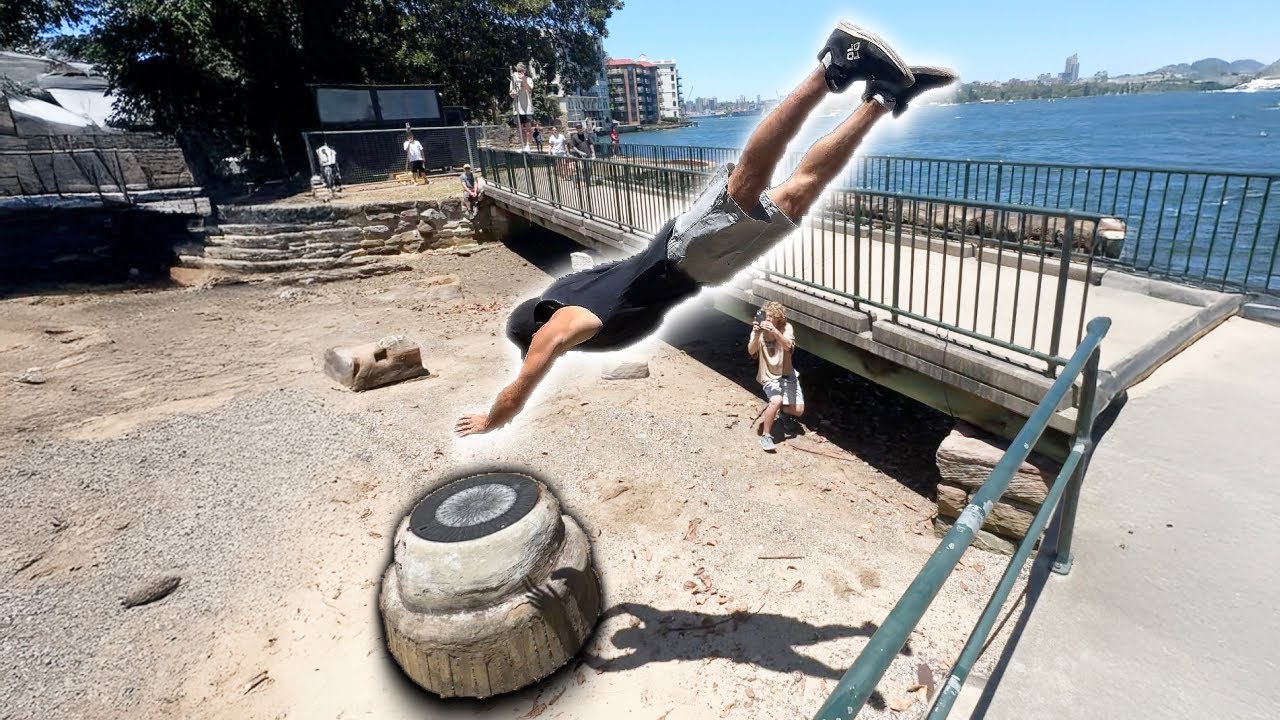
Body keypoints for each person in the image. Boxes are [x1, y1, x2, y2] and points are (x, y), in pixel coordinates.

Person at [456, 21, 955, 437]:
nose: (543, 347)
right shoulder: (570, 290)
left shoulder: (567, 321)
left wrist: (496, 416)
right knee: (799, 195)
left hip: (684, 254)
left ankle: (833, 66)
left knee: (750, 179)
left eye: (537, 339)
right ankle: (883, 98)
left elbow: (528, 377)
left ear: (538, 326)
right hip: (702, 270)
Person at [748, 301, 804, 452]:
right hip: (769, 375)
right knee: (776, 400)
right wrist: (757, 333)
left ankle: (783, 413)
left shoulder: (786, 328)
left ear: (779, 318)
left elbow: (788, 346)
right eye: (767, 316)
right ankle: (766, 436)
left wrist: (774, 331)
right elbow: (751, 351)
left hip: (787, 374)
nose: (768, 319)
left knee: (798, 410)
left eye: (772, 317)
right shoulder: (758, 328)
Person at [510, 61, 537, 152]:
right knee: (520, 129)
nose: (520, 72)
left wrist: (523, 80)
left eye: (521, 70)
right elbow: (511, 93)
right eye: (518, 70)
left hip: (527, 108)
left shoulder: (528, 79)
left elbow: (529, 90)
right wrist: (512, 94)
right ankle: (523, 145)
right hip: (517, 108)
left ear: (524, 71)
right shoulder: (513, 80)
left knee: (528, 127)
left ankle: (528, 146)